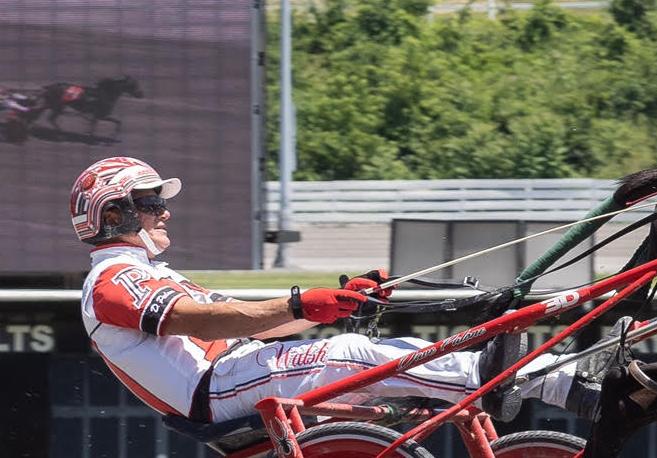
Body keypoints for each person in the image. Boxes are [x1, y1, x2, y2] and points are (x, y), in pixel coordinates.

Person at [71, 156, 598, 426]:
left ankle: (559, 377)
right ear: (112, 215)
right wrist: (303, 302)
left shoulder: (148, 274)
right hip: (216, 392)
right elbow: (209, 322)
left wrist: (335, 304)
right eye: (149, 203)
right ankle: (511, 378)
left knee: (375, 364)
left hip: (237, 375)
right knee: (354, 354)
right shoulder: (109, 282)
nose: (164, 211)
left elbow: (253, 324)